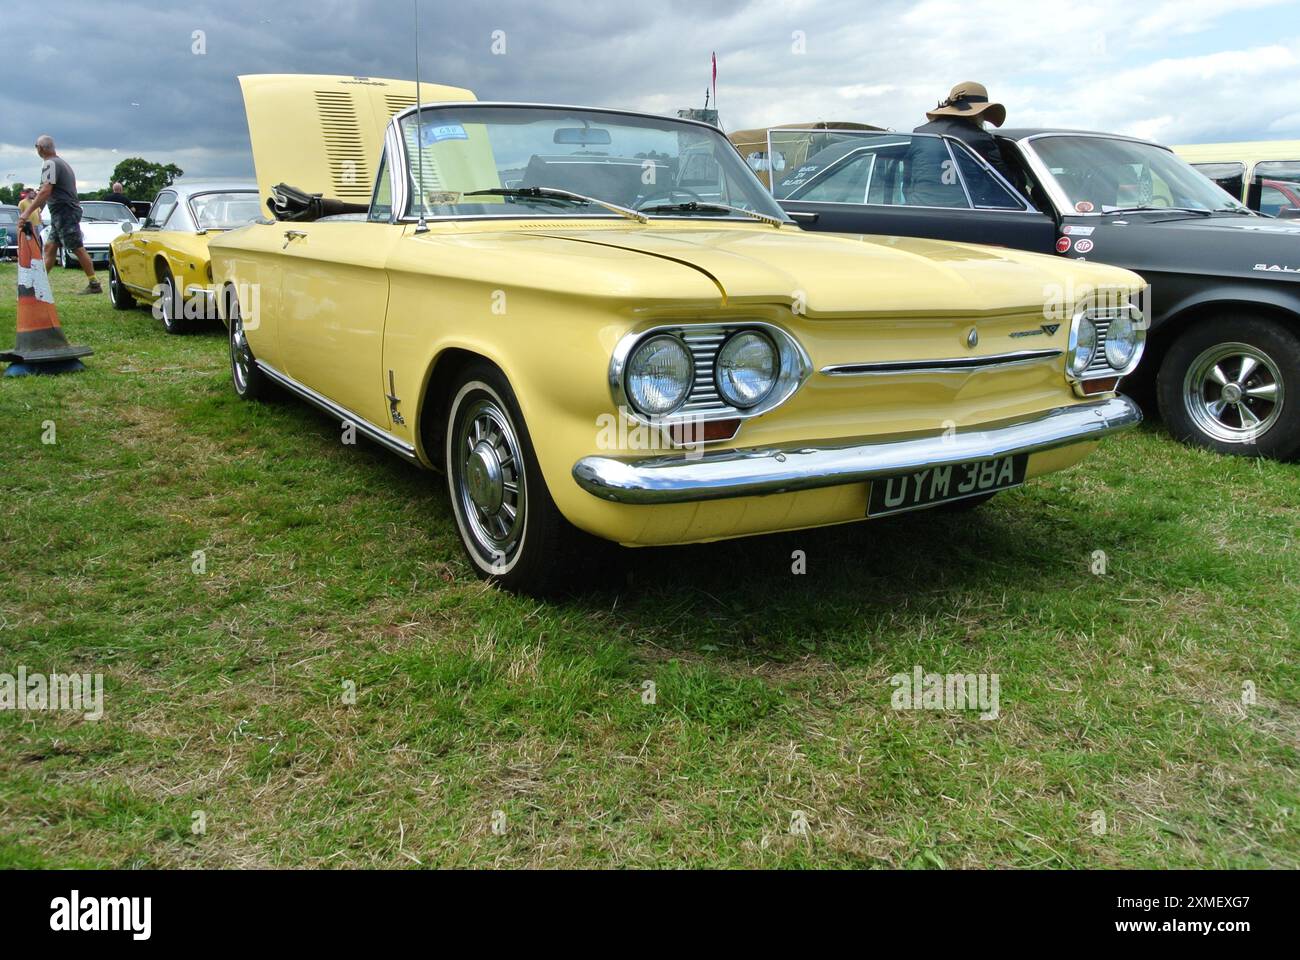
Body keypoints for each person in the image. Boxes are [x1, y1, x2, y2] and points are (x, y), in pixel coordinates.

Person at [17, 135, 101, 294]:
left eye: (36, 147)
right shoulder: (61, 163)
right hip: (62, 211)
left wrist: (26, 212)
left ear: (40, 148)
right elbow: (46, 192)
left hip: (64, 211)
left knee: (76, 247)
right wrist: (40, 208)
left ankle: (94, 284)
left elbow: (46, 191)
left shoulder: (49, 163)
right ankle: (39, 285)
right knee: (49, 247)